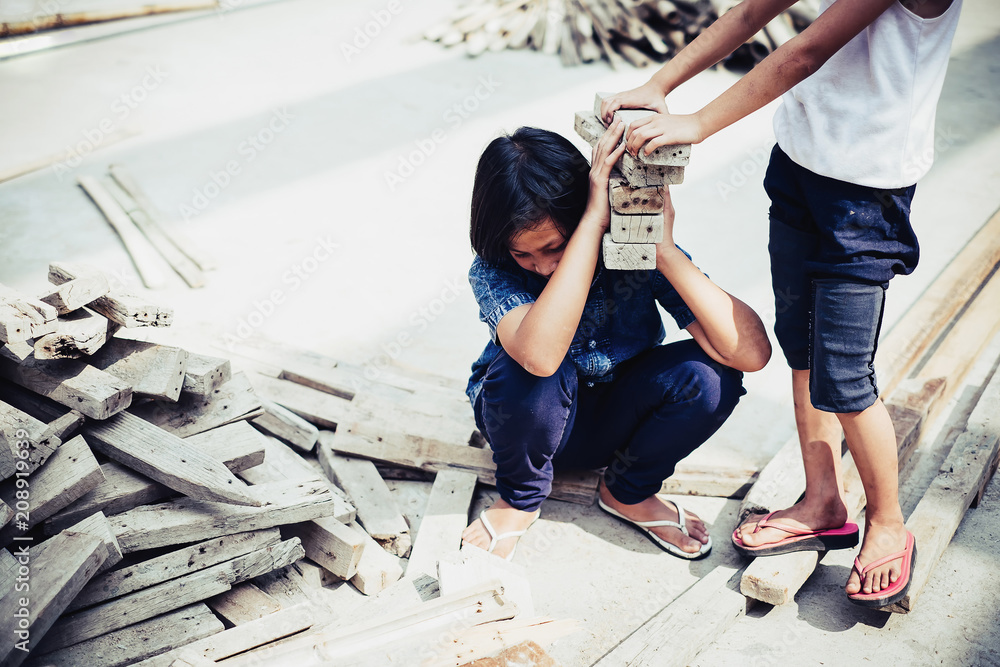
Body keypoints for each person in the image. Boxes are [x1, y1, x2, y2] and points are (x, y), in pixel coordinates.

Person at [600, 0, 962, 607]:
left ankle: (889, 522)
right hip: (797, 166)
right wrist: (658, 84)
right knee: (801, 346)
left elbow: (804, 51)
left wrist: (697, 122)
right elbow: (749, 13)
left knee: (845, 376)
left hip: (866, 196)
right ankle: (821, 499)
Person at [459, 122, 771, 562]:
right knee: (527, 365)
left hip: (617, 422)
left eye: (555, 247)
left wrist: (664, 251)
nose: (543, 267)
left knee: (712, 375)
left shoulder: (630, 247)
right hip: (528, 423)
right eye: (523, 254)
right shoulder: (491, 271)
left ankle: (628, 491)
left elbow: (751, 353)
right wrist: (588, 226)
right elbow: (541, 357)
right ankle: (519, 499)